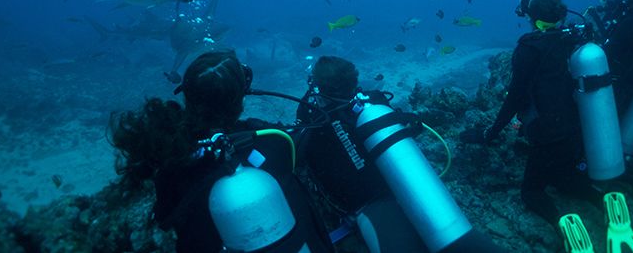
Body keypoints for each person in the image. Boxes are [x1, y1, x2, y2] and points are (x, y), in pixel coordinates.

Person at [110, 50, 334, 253]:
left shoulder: (170, 159)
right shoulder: (273, 138)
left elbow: (165, 217)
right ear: (241, 101)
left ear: (187, 95)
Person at [460, 0, 601, 228]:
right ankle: (603, 202)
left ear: (532, 18)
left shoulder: (529, 48)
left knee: (531, 192)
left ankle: (564, 227)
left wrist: (490, 134)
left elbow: (515, 97)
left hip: (548, 135)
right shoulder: (571, 39)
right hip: (577, 130)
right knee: (565, 181)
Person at [295, 56, 429, 253]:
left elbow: (297, 159)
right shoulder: (375, 103)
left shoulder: (315, 121)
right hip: (410, 186)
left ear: (318, 87)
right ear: (354, 81)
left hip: (367, 209)